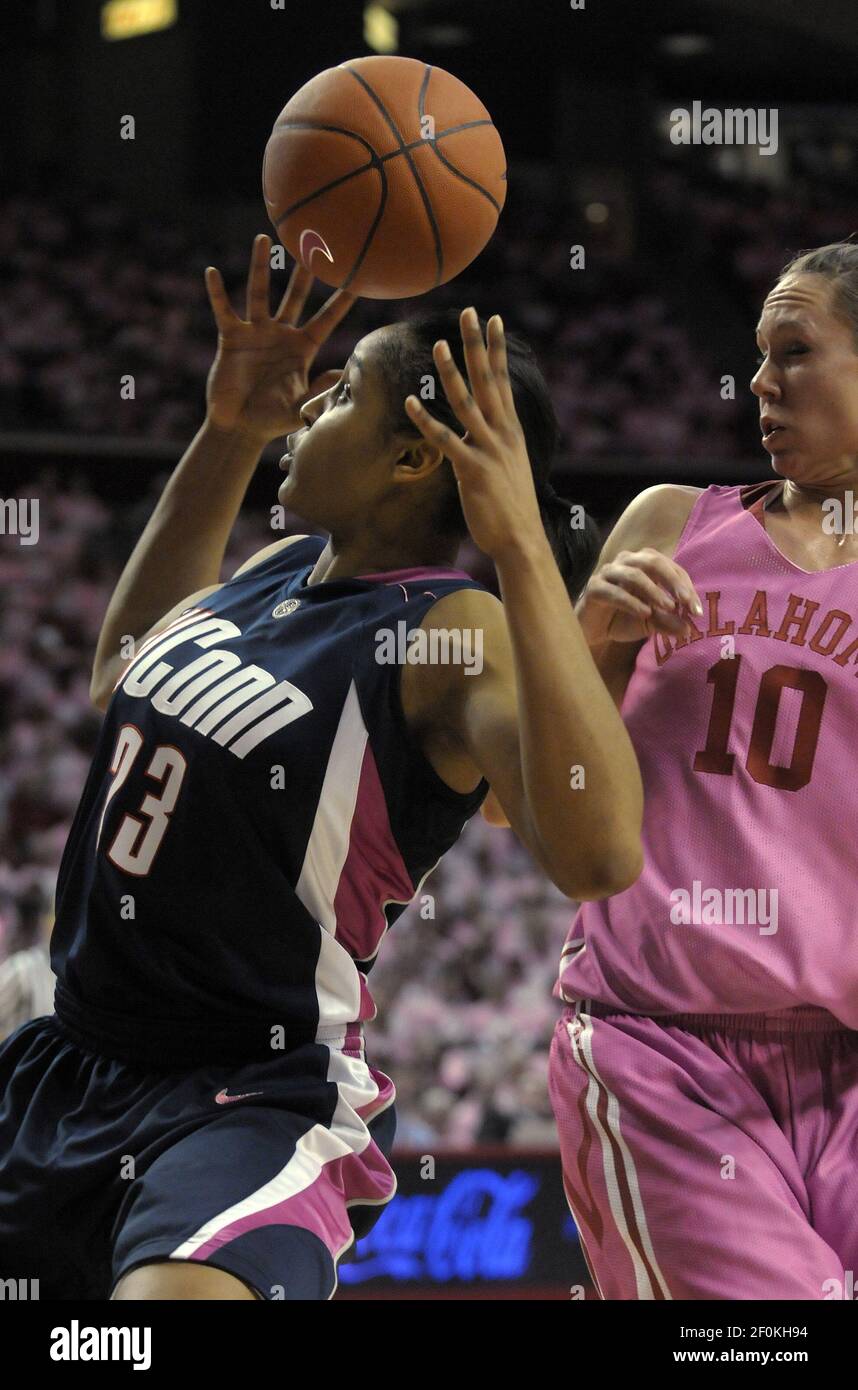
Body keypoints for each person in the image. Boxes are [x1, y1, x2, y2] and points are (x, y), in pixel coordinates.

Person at [0, 234, 643, 1301]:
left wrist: (521, 541)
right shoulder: (275, 569)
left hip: (242, 1098)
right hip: (68, 1060)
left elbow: (599, 852)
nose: (308, 410)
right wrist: (227, 428)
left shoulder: (452, 628)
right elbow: (120, 675)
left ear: (412, 456)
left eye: (342, 393)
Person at [542, 241, 858, 1300]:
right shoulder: (673, 523)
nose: (760, 383)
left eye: (795, 353)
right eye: (760, 356)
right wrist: (585, 639)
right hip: (662, 1050)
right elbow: (516, 805)